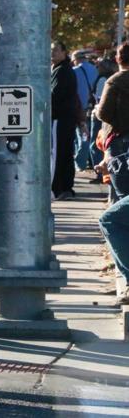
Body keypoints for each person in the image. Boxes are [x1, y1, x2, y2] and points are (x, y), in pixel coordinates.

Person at [96, 42, 129, 304]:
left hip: (120, 145)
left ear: (119, 58)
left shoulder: (116, 81)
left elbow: (103, 111)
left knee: (115, 214)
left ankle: (125, 276)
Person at [51, 41, 80, 200]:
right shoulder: (61, 70)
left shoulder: (62, 71)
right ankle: (65, 187)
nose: (52, 53)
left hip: (60, 119)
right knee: (64, 153)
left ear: (64, 52)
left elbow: (54, 96)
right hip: (65, 119)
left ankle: (59, 187)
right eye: (51, 50)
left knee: (59, 154)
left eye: (56, 50)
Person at [72, 50, 98, 170]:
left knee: (83, 135)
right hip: (93, 107)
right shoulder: (95, 69)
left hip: (80, 109)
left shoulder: (75, 71)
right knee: (91, 136)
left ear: (76, 59)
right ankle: (90, 160)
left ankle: (80, 162)